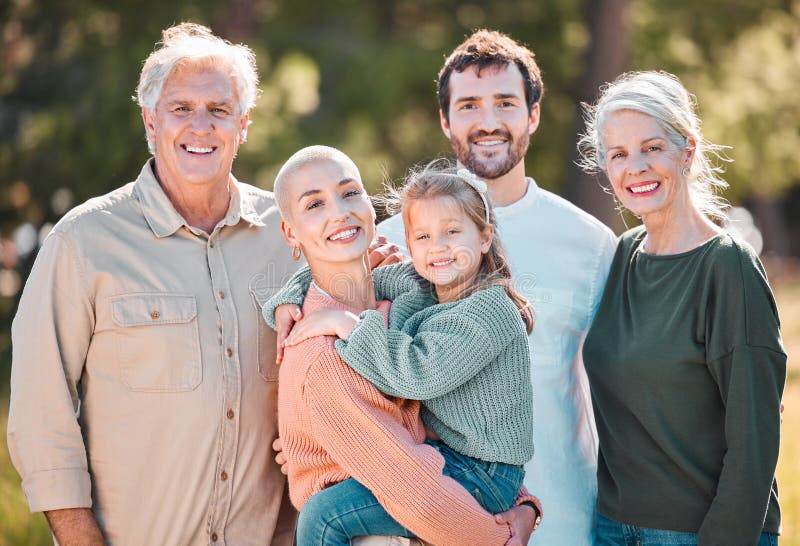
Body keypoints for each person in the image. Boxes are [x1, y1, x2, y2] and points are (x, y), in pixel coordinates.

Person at [7, 23, 301, 545]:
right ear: (150, 120)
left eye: (219, 110)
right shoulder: (84, 241)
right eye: (181, 108)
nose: (200, 127)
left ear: (243, 124)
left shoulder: (290, 236)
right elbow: (40, 410)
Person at [374, 30, 618, 545]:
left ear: (533, 114)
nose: (488, 121)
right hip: (437, 523)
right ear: (446, 120)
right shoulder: (394, 240)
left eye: (505, 103)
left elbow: (628, 387)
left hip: (567, 523)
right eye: (469, 106)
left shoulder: (591, 244)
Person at [266, 145, 538, 546]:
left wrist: (525, 508)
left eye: (349, 193)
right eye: (315, 204)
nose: (339, 213)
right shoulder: (324, 354)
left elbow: (417, 376)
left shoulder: (430, 297)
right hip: (436, 502)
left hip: (473, 479)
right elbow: (414, 487)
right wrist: (288, 298)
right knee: (322, 515)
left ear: (485, 238)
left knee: (325, 516)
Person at [578, 70, 785, 545]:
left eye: (652, 147)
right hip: (612, 527)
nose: (636, 168)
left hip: (702, 531)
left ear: (687, 149)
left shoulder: (728, 266)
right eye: (618, 154)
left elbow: (755, 437)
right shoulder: (624, 254)